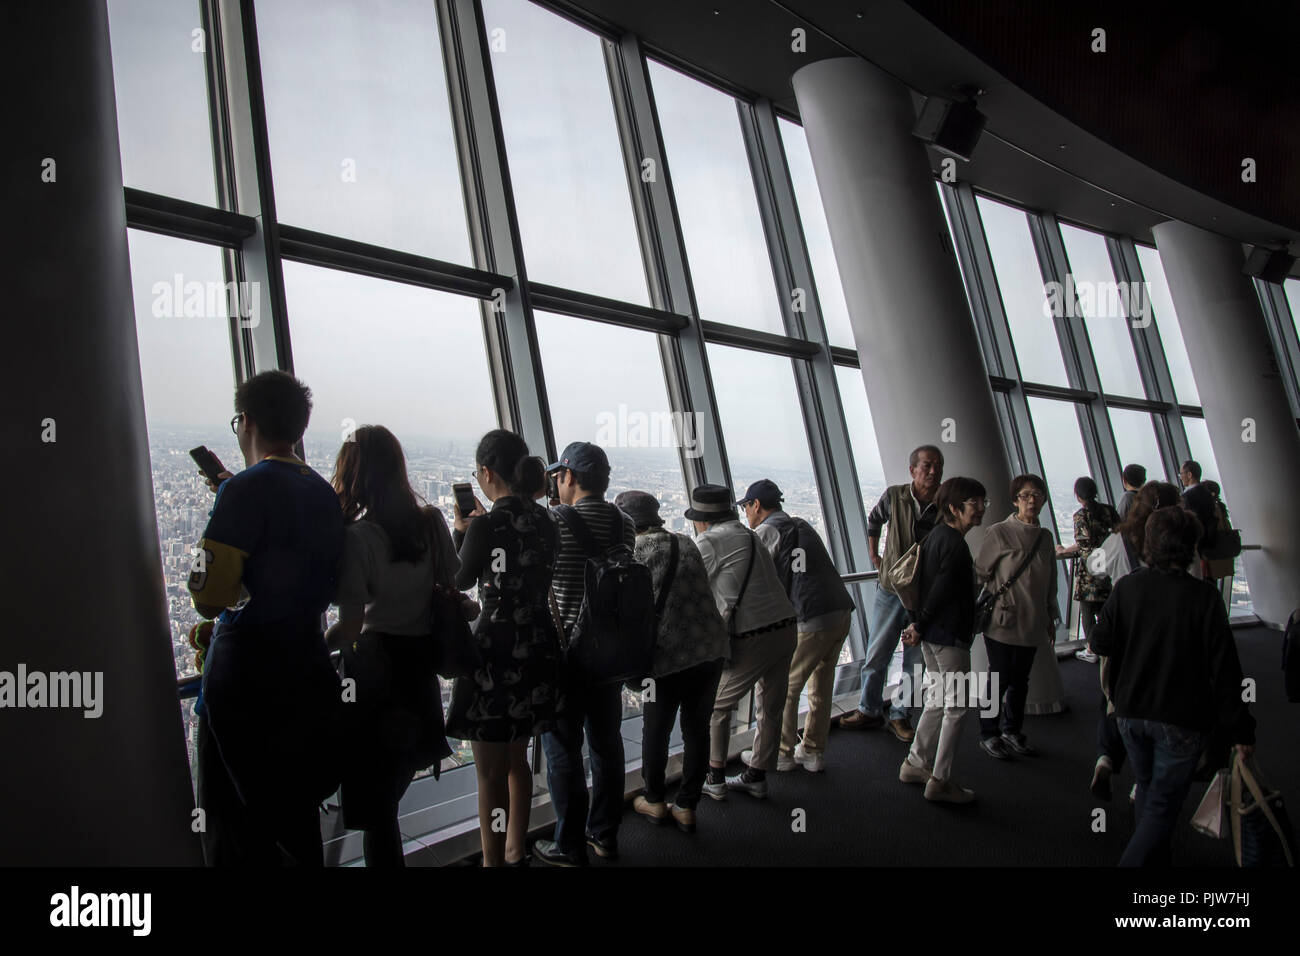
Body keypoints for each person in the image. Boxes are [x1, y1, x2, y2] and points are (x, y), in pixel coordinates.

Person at [187, 370, 344, 866]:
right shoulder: (323, 492)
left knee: (234, 825)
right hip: (306, 669)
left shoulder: (243, 491)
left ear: (246, 422)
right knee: (294, 820)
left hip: (244, 682)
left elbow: (207, 596)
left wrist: (220, 521)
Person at [324, 425, 460, 867]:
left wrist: (313, 646)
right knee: (392, 791)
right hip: (419, 668)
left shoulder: (359, 538)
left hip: (375, 674)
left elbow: (349, 627)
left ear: (354, 474)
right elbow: (452, 579)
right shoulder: (432, 522)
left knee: (376, 806)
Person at [1090, 506, 1256, 867]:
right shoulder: (1204, 598)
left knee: (1148, 787)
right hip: (1180, 717)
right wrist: (1241, 729)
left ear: (1149, 543)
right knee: (1163, 806)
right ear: (1191, 547)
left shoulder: (1127, 587)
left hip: (1130, 712)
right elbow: (1225, 671)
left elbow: (1099, 642)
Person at [444, 429, 560, 867]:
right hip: (539, 646)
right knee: (517, 760)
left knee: (490, 772)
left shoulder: (488, 524)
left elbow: (457, 581)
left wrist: (461, 532)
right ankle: (515, 851)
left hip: (496, 649)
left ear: (487, 473)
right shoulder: (548, 520)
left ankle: (493, 861)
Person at [533, 442, 636, 866]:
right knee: (607, 745)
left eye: (558, 476)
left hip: (566, 656)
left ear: (569, 477)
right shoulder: (624, 523)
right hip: (611, 655)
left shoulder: (554, 521)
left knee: (562, 749)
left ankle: (569, 844)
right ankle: (604, 834)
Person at [616, 491, 729, 834]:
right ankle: (687, 805)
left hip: (666, 658)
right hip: (709, 648)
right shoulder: (686, 542)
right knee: (697, 729)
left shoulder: (633, 552)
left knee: (657, 730)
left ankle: (654, 798)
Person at [689, 484, 797, 801]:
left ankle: (716, 777)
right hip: (786, 627)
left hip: (754, 635)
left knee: (717, 706)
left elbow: (691, 584)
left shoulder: (710, 541)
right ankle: (757, 776)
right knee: (770, 708)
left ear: (703, 520)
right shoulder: (751, 534)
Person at [738, 479, 855, 773]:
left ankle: (781, 751)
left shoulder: (769, 530)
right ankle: (813, 751)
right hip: (840, 611)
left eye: (746, 507)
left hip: (811, 618)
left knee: (786, 687)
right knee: (821, 684)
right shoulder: (800, 524)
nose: (745, 515)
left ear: (756, 506)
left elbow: (751, 577)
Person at [1083, 480, 1182, 800]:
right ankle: (1144, 777)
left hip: (1124, 630)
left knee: (1114, 696)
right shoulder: (1179, 543)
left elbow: (1094, 567)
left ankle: (1106, 758)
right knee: (1159, 701)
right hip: (1167, 635)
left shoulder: (1120, 539)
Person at [840, 445, 944, 742]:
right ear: (913, 470)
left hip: (923, 594)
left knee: (915, 660)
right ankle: (869, 709)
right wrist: (875, 556)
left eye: (938, 466)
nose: (933, 471)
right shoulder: (896, 496)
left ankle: (901, 715)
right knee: (877, 652)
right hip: (891, 589)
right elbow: (874, 520)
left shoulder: (943, 504)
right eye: (927, 465)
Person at [898, 477, 987, 804]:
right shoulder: (955, 544)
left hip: (933, 634)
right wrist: (920, 624)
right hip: (948, 634)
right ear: (954, 508)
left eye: (982, 502)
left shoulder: (936, 537)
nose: (980, 509)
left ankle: (916, 763)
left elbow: (919, 587)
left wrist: (917, 625)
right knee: (957, 707)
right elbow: (942, 591)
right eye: (974, 503)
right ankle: (940, 779)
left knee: (936, 700)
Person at [974, 474, 1059, 760]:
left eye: (1036, 495)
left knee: (1021, 680)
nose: (1031, 500)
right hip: (1002, 619)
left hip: (1033, 619)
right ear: (1014, 500)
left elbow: (1051, 581)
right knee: (998, 677)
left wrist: (1051, 613)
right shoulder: (999, 532)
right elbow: (981, 573)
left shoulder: (1045, 538)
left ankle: (1012, 730)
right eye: (1025, 495)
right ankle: (988, 732)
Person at [1055, 477, 1120, 664]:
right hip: (1109, 569)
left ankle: (1091, 648)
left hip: (1091, 572)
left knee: (1088, 611)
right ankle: (1110, 645)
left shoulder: (1081, 516)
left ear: (1077, 496)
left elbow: (1084, 545)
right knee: (1107, 611)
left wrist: (1064, 550)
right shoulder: (1109, 511)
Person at [1179, 459, 1218, 565]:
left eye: (1181, 473)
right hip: (1209, 543)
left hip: (1196, 546)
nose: (1180, 477)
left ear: (1189, 475)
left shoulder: (1187, 497)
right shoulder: (1207, 493)